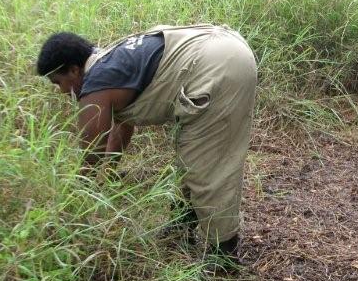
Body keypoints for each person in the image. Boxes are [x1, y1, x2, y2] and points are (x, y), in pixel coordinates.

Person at [36, 24, 257, 264]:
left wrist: (75, 200)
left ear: (74, 70)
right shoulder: (109, 60)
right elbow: (122, 126)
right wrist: (109, 174)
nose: (60, 91)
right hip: (223, 48)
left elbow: (92, 152)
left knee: (209, 165)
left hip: (217, 67)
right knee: (191, 157)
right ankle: (182, 226)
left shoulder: (95, 87)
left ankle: (223, 255)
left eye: (58, 82)